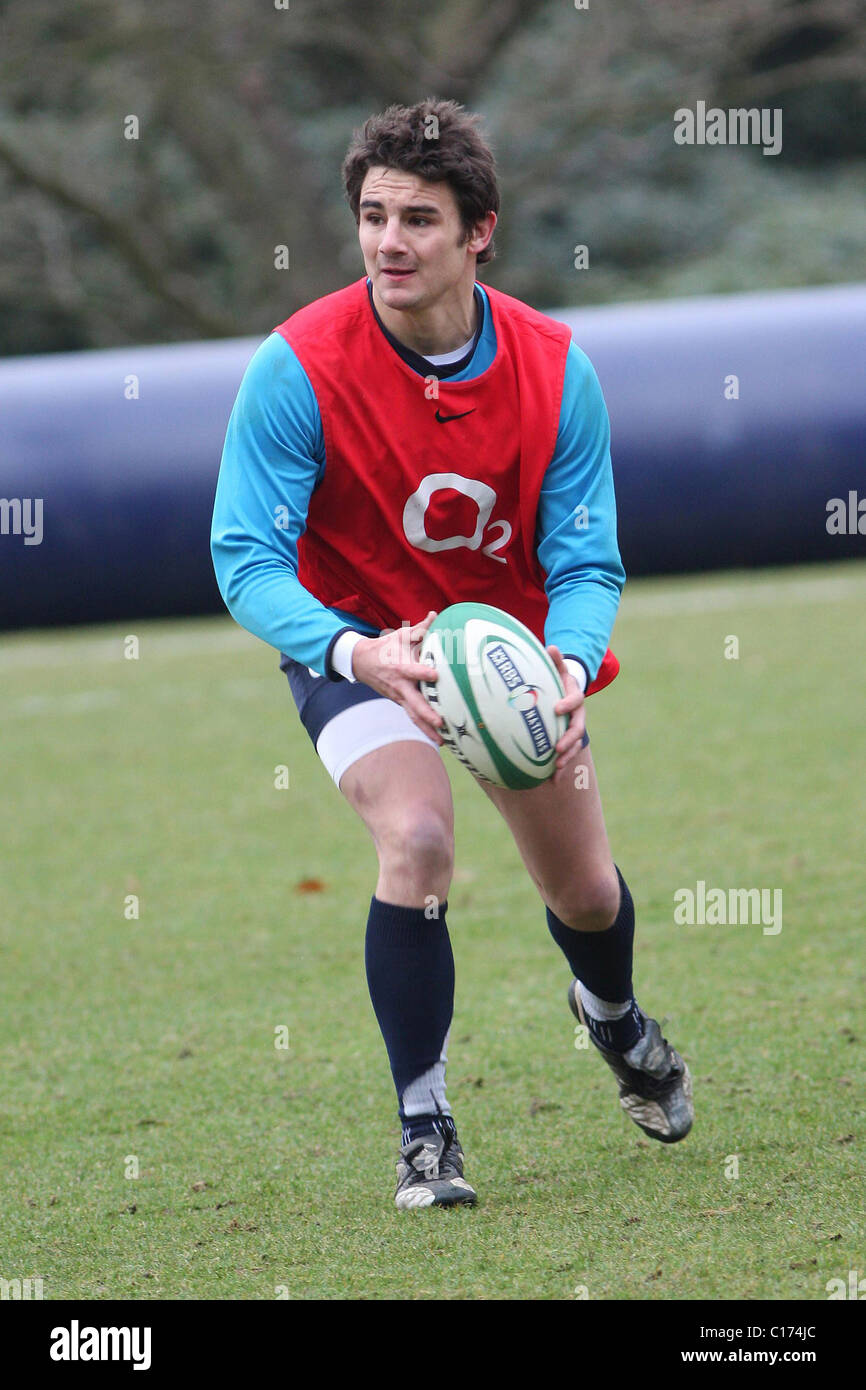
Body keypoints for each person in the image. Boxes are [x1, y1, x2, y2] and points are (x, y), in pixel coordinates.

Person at [211, 97, 692, 1211]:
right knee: (416, 838)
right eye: (373, 215)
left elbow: (586, 563)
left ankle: (611, 1016)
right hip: (361, 645)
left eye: (418, 219)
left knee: (581, 892)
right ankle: (424, 1123)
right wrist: (350, 649)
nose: (388, 242)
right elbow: (244, 559)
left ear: (478, 233)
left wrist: (568, 667)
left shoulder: (554, 368)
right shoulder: (296, 367)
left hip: (512, 657)